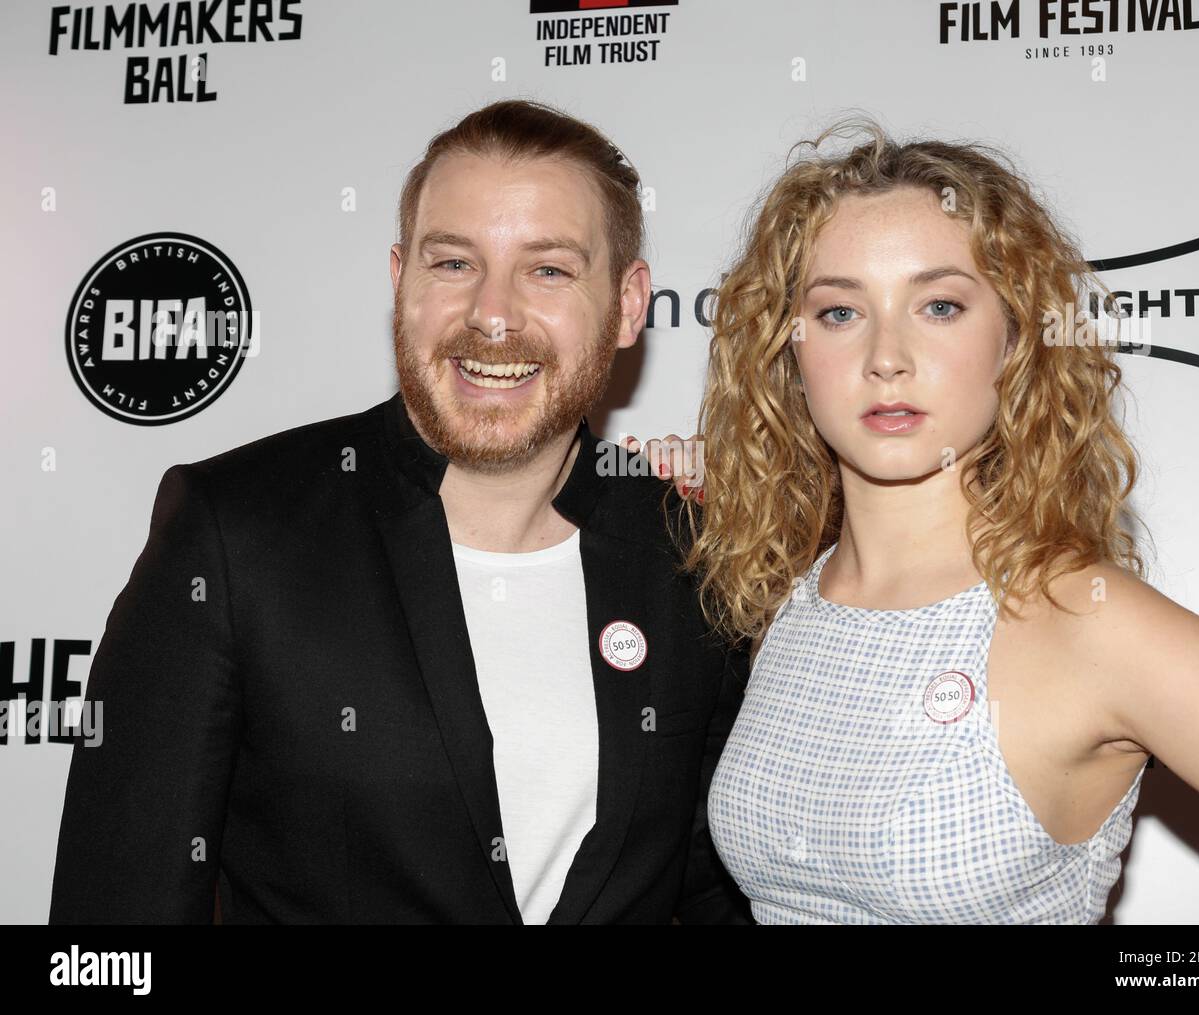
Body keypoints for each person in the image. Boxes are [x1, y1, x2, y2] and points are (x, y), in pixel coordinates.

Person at [48, 99, 752, 925]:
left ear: (630, 304)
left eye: (548, 269)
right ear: (400, 281)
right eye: (453, 263)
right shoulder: (236, 535)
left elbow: (714, 893)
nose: (493, 315)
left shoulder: (692, 554)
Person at [629, 118, 1199, 923]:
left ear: (1016, 339)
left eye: (940, 305)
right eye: (840, 313)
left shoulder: (1090, 626)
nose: (887, 356)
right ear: (789, 353)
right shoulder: (784, 607)